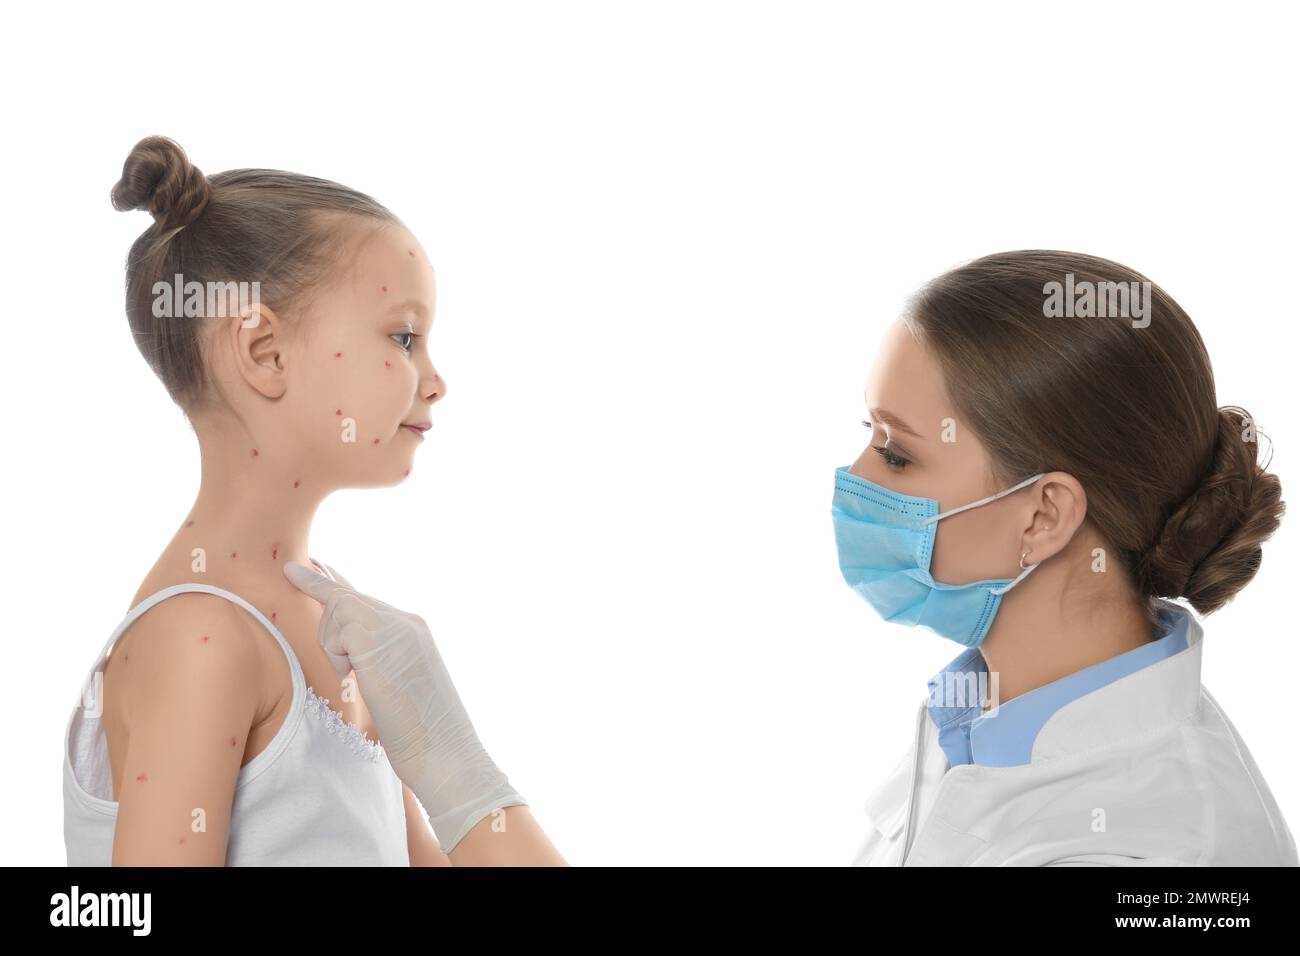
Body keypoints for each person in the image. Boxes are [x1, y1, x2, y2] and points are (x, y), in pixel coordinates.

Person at [286, 250, 1297, 866]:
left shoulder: (1153, 847)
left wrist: (459, 775)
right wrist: (418, 800)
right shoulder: (983, 712)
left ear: (1043, 517)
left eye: (896, 451)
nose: (853, 474)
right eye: (867, 431)